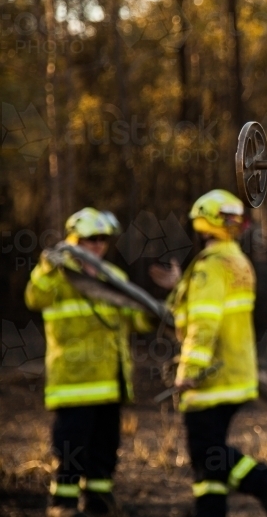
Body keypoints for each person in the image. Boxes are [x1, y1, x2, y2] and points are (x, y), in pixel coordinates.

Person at [148, 189, 267, 517]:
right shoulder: (238, 262)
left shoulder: (210, 267)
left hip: (210, 380)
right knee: (207, 458)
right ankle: (210, 510)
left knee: (206, 451)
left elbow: (204, 322)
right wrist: (179, 285)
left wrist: (188, 370)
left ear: (202, 224)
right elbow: (200, 308)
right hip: (235, 374)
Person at [25, 208, 153, 517]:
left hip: (110, 382)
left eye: (102, 240)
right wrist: (45, 268)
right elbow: (34, 298)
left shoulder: (114, 277)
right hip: (73, 383)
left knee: (105, 449)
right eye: (90, 239)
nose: (96, 245)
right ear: (74, 240)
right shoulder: (57, 276)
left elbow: (137, 320)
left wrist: (155, 309)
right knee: (70, 449)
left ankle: (100, 503)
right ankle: (64, 505)